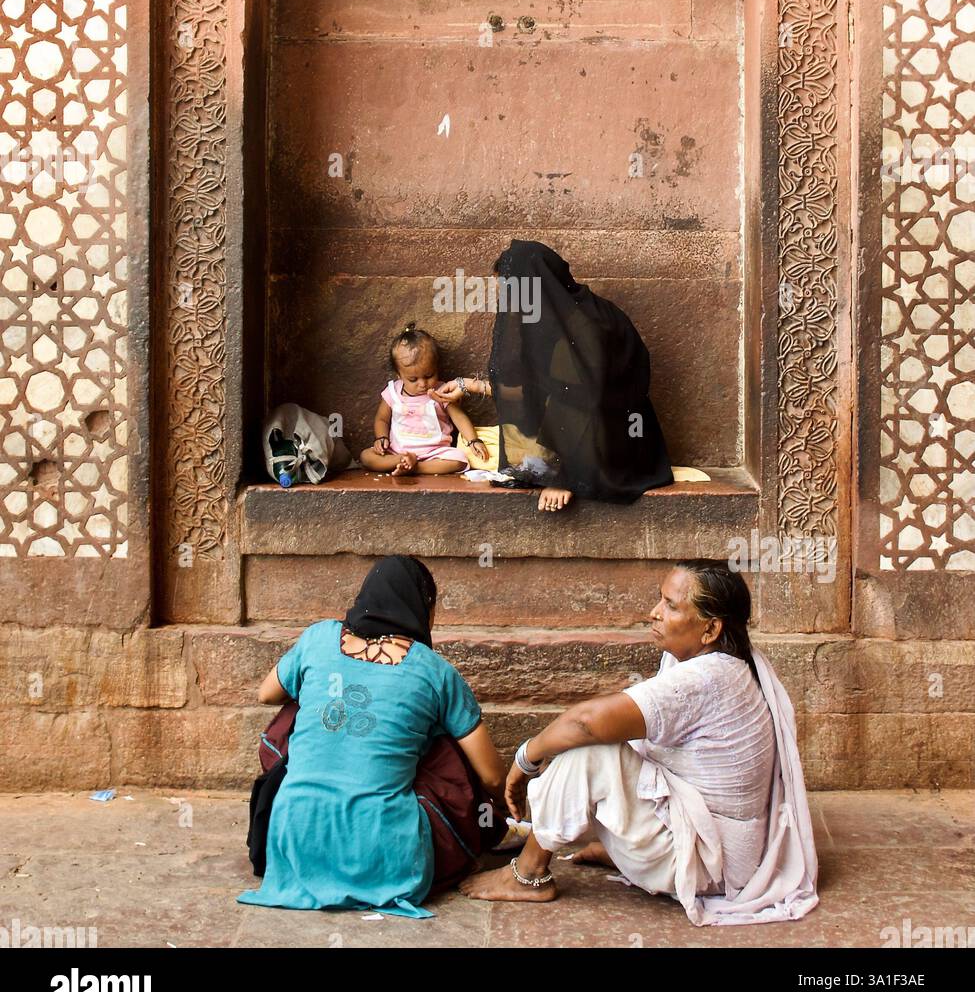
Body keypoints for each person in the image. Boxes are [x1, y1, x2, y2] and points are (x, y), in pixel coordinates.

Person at [460, 560, 819, 927]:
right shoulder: (726, 663)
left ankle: (528, 874)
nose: (654, 613)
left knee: (589, 749)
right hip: (722, 853)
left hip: (707, 866)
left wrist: (525, 760)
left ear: (710, 629)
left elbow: (587, 722)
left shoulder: (705, 679)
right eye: (660, 601)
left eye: (671, 606)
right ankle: (623, 849)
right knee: (617, 743)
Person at [238, 555, 506, 917]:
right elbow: (490, 775)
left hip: (292, 843)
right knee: (441, 739)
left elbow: (267, 693)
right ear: (424, 610)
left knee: (297, 706)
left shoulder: (319, 637)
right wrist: (502, 810)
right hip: (389, 858)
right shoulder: (435, 672)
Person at [433, 240, 673, 511]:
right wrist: (469, 386)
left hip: (617, 446)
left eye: (513, 293)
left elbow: (586, 402)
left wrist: (563, 478)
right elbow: (543, 392)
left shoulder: (587, 329)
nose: (508, 304)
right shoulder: (561, 320)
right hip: (597, 431)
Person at [359, 323, 489, 476]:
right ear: (399, 375)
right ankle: (404, 460)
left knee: (459, 460)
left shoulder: (443, 391)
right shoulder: (393, 392)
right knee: (366, 457)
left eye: (429, 376)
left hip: (434, 453)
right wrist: (381, 438)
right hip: (397, 451)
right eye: (413, 379)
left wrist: (473, 440)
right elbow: (382, 419)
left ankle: (414, 467)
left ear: (436, 368)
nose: (422, 384)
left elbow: (459, 417)